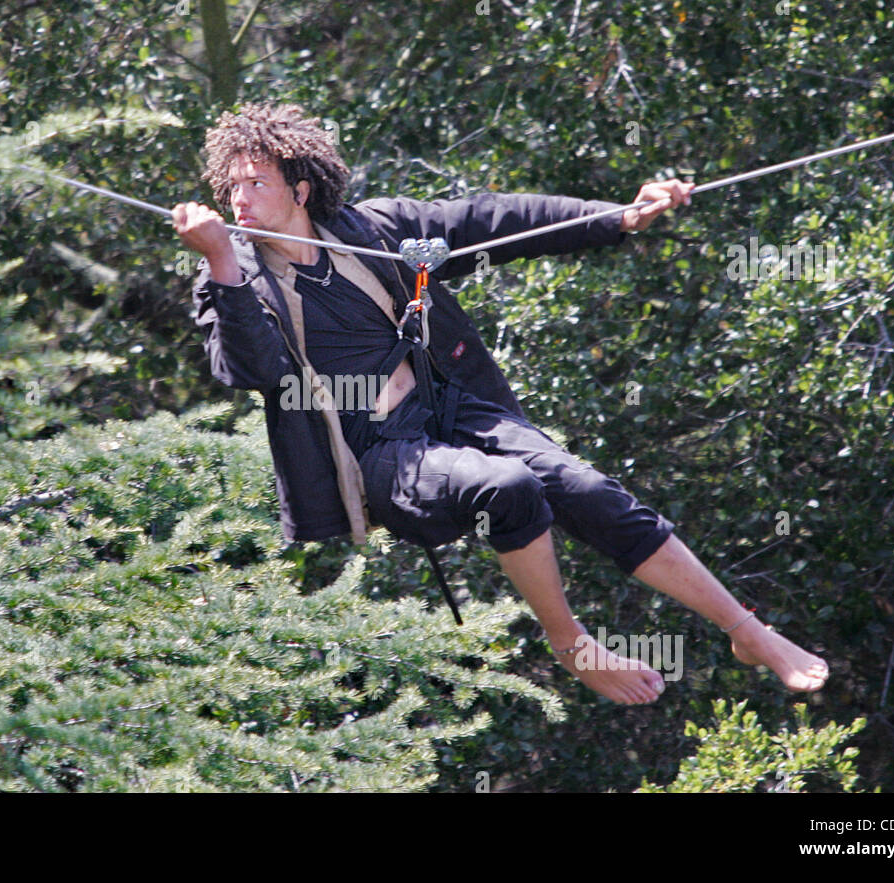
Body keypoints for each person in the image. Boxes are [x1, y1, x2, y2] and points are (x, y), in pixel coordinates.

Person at [173, 102, 828, 705]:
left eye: (254, 181)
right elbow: (248, 369)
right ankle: (572, 644)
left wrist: (617, 216)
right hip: (380, 453)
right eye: (231, 186)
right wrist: (225, 267)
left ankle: (748, 631)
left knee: (584, 485)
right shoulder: (233, 273)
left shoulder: (374, 231)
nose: (239, 197)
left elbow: (490, 220)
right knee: (506, 487)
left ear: (300, 188)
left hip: (451, 405)